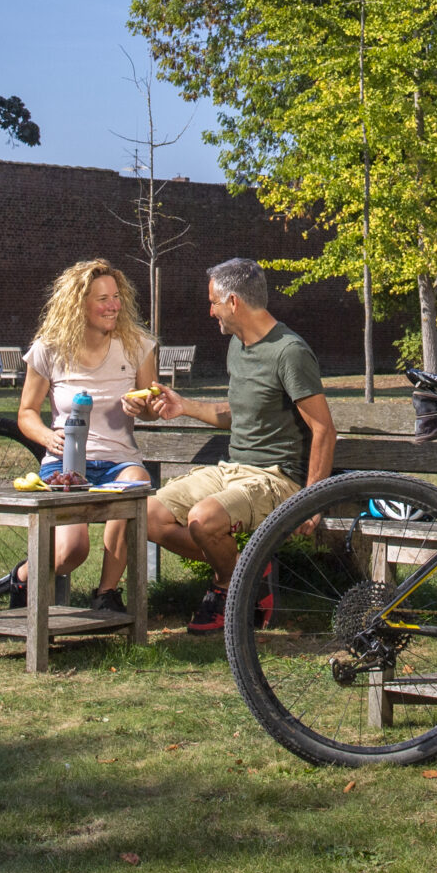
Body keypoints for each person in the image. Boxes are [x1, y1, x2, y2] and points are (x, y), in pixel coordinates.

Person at [137, 257, 334, 633]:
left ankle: (229, 587)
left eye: (213, 302)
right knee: (147, 515)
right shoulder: (238, 346)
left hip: (276, 478)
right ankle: (249, 572)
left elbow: (323, 428)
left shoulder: (289, 352)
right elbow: (237, 412)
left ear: (234, 302)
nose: (210, 311)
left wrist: (311, 502)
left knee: (203, 519)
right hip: (233, 470)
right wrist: (184, 406)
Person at [4, 258, 157, 612]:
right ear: (78, 304)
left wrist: (144, 407)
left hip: (119, 460)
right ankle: (23, 577)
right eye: (103, 299)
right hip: (66, 462)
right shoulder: (49, 349)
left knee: (137, 484)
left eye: (116, 297)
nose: (113, 306)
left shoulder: (137, 345)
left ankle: (106, 594)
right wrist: (47, 437)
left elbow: (151, 405)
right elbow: (26, 413)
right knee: (71, 552)